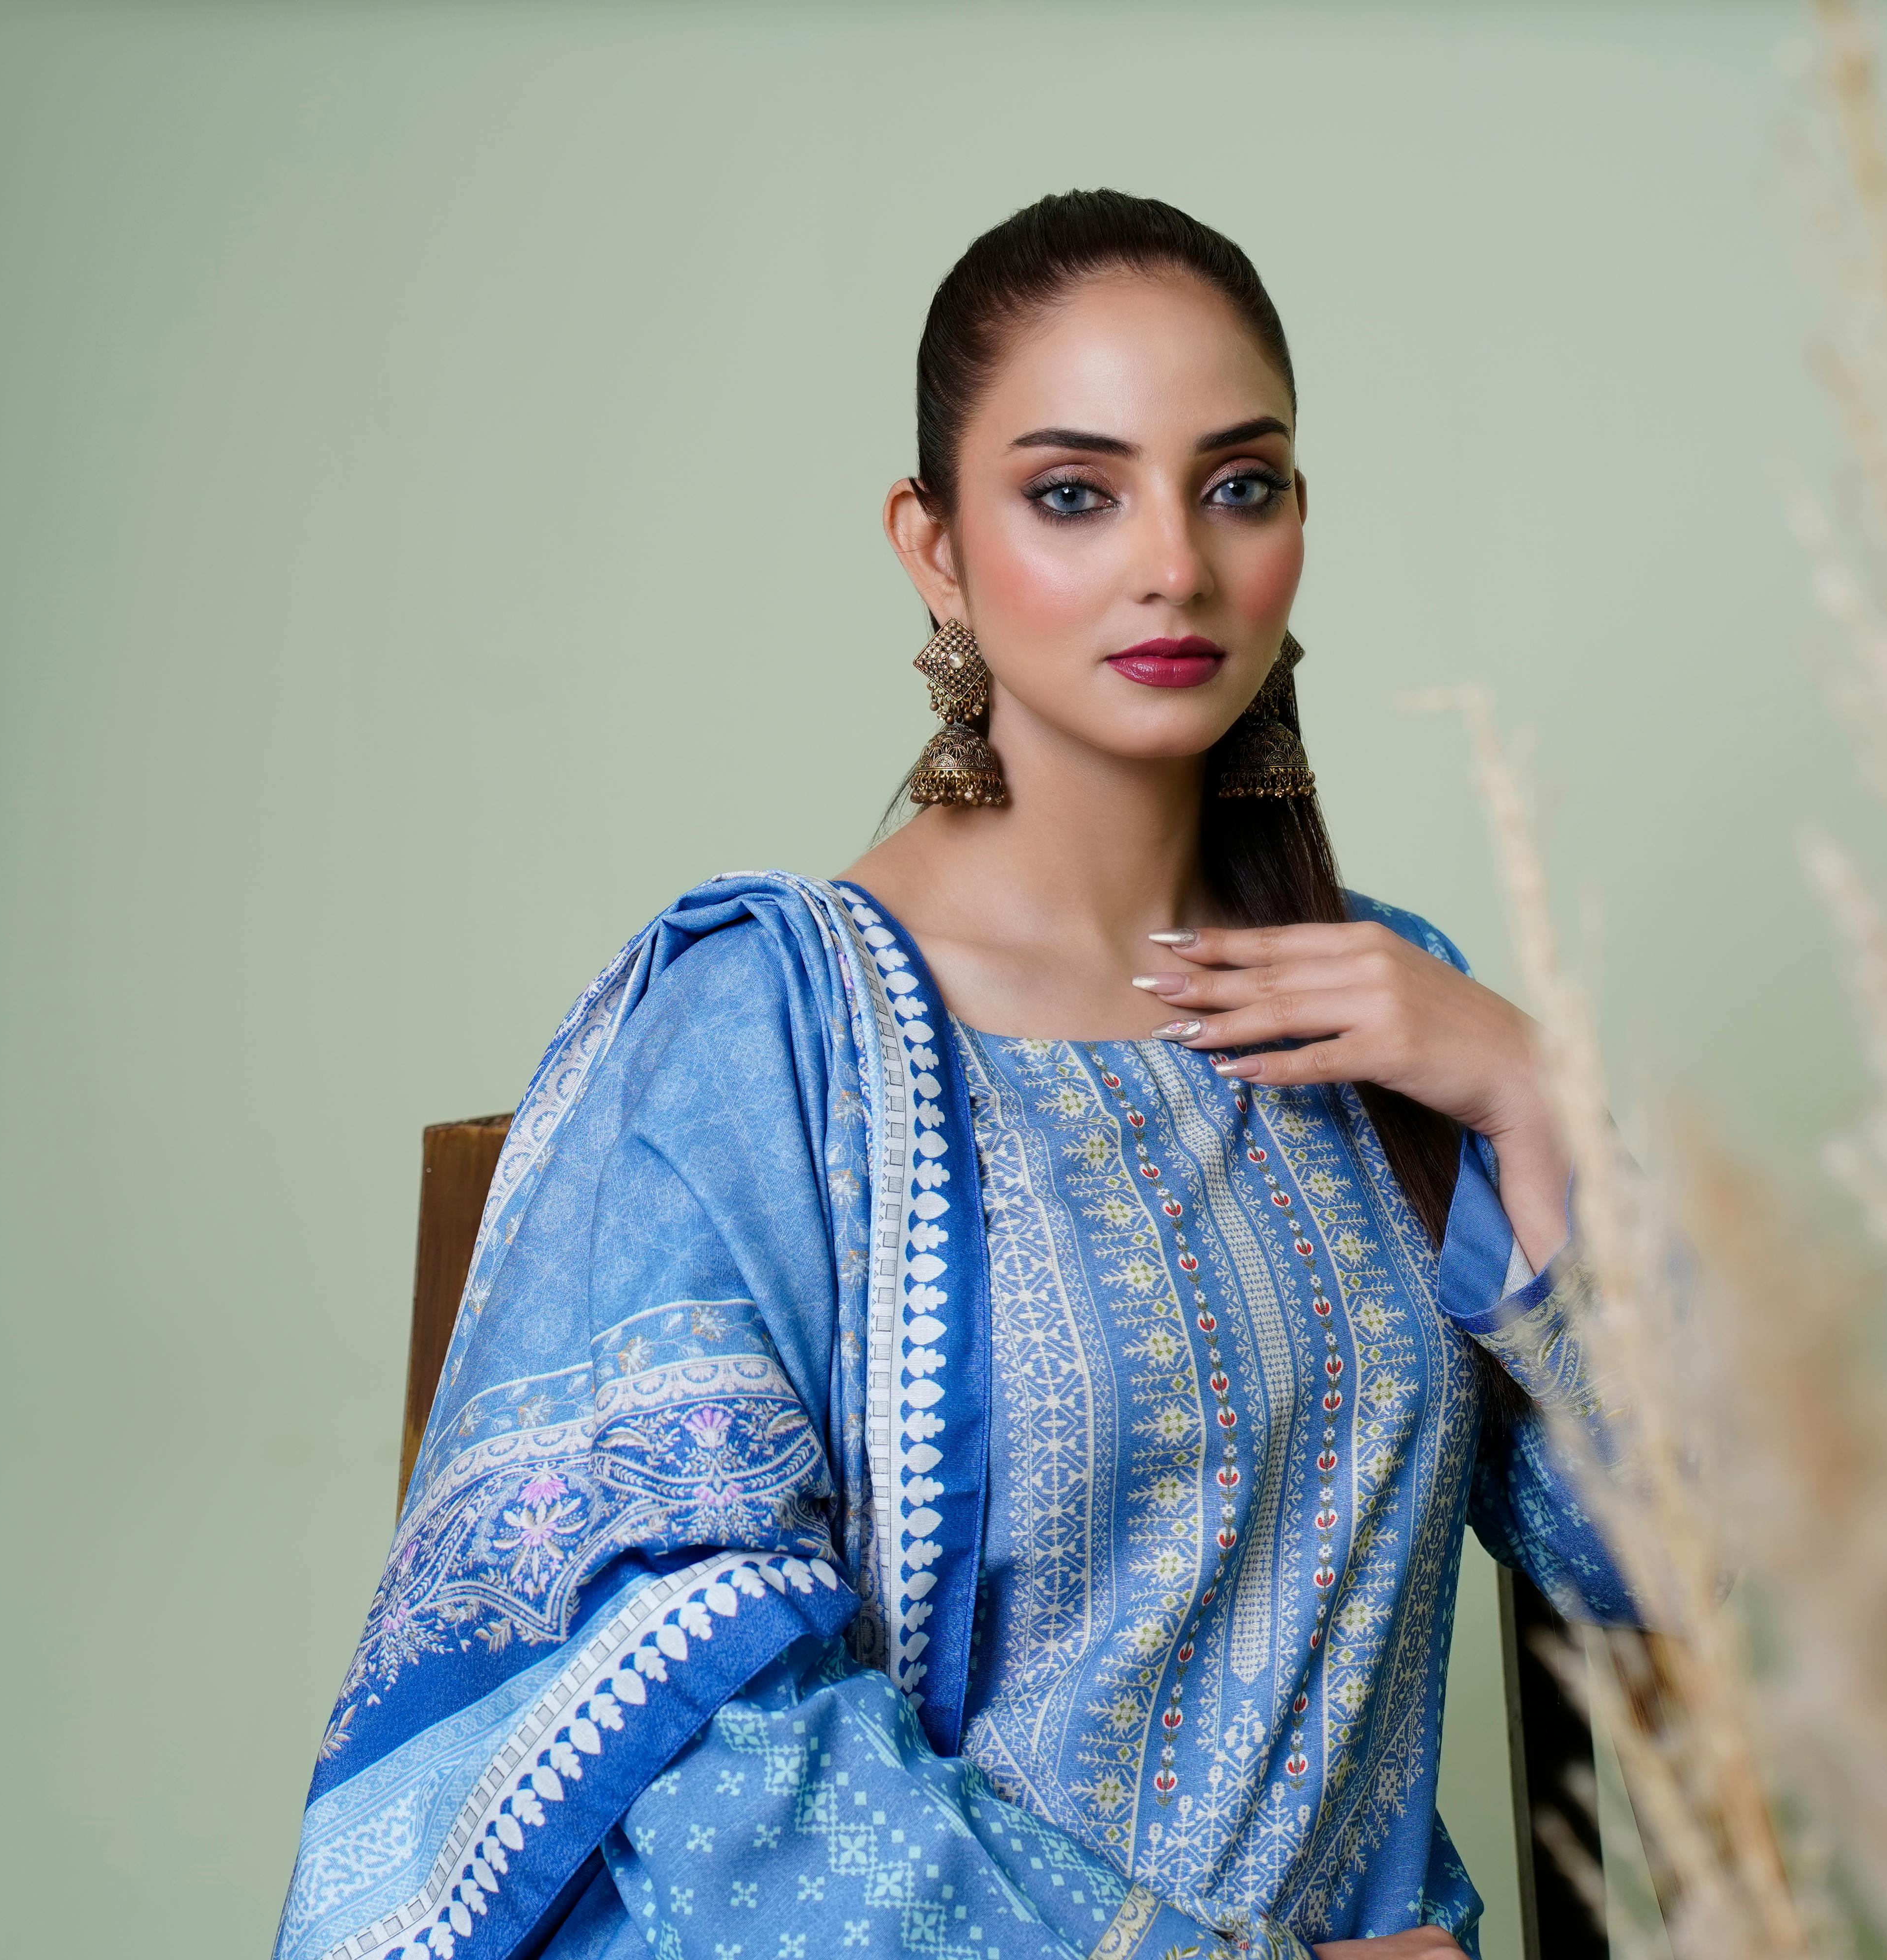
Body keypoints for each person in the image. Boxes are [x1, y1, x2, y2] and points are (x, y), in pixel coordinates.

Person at [273, 190, 1632, 1960]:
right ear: (933, 545)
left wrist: (1535, 1095)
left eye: (1241, 484)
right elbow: (681, 1729)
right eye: (1076, 493)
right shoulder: (767, 1038)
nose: (1176, 565)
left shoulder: (1390, 1011)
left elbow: (1661, 1568)